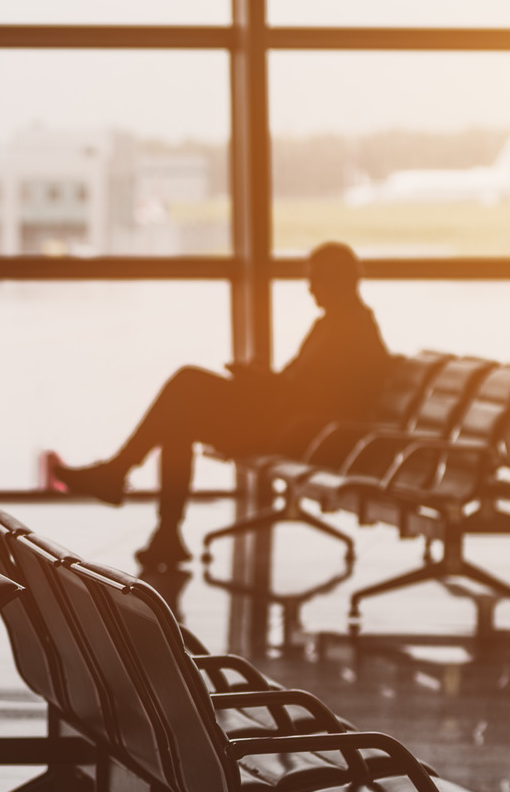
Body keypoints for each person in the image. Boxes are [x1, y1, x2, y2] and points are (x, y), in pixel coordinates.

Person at [46, 241, 390, 571]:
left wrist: (264, 383)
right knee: (180, 412)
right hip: (287, 421)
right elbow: (302, 385)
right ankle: (152, 516)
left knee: (186, 385)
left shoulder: (352, 331)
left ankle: (126, 482)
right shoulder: (336, 324)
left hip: (301, 435)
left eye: (315, 278)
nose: (310, 288)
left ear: (339, 280)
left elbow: (322, 399)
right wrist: (260, 379)